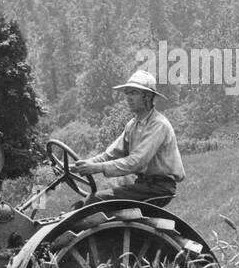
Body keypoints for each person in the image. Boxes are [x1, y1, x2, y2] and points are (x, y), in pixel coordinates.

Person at [71, 70, 185, 206]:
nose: (128, 98)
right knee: (83, 204)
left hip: (158, 189)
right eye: (127, 93)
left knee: (94, 202)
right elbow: (109, 155)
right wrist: (80, 165)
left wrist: (97, 168)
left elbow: (137, 161)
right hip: (143, 185)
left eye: (134, 93)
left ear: (147, 97)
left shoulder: (158, 125)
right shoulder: (132, 125)